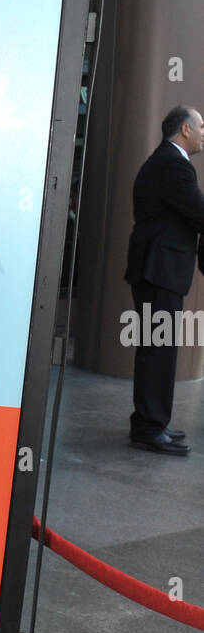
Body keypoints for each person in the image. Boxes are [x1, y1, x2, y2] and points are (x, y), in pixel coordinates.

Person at [124, 104, 204, 455]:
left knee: (156, 348)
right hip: (160, 271)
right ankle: (149, 427)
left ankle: (151, 422)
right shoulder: (173, 165)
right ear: (185, 129)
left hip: (156, 270)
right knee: (158, 350)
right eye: (201, 126)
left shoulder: (165, 162)